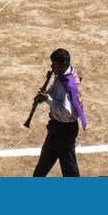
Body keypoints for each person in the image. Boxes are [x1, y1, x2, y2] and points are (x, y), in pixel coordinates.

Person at [30, 47, 87, 177]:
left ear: (63, 64)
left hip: (65, 130)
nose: (52, 66)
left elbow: (67, 112)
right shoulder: (63, 74)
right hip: (57, 127)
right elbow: (54, 89)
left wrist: (47, 99)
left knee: (69, 168)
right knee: (43, 165)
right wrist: (46, 94)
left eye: (54, 64)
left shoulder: (67, 83)